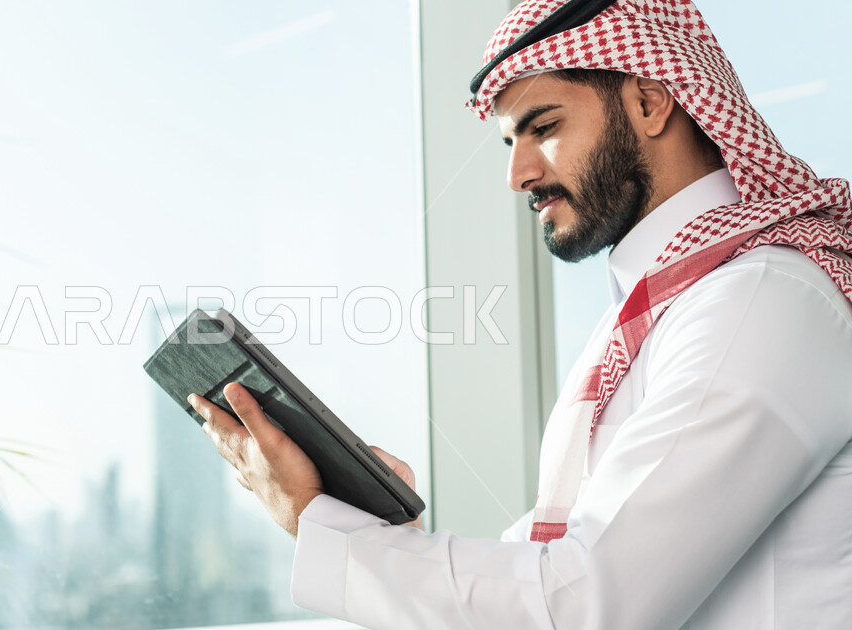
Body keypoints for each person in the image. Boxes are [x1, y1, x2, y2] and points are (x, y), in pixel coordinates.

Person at [188, 0, 852, 627]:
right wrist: (368, 523)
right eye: (511, 141)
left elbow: (582, 603)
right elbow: (551, 567)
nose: (518, 174)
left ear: (651, 104)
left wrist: (322, 523)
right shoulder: (666, 310)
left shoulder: (760, 300)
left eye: (544, 127)